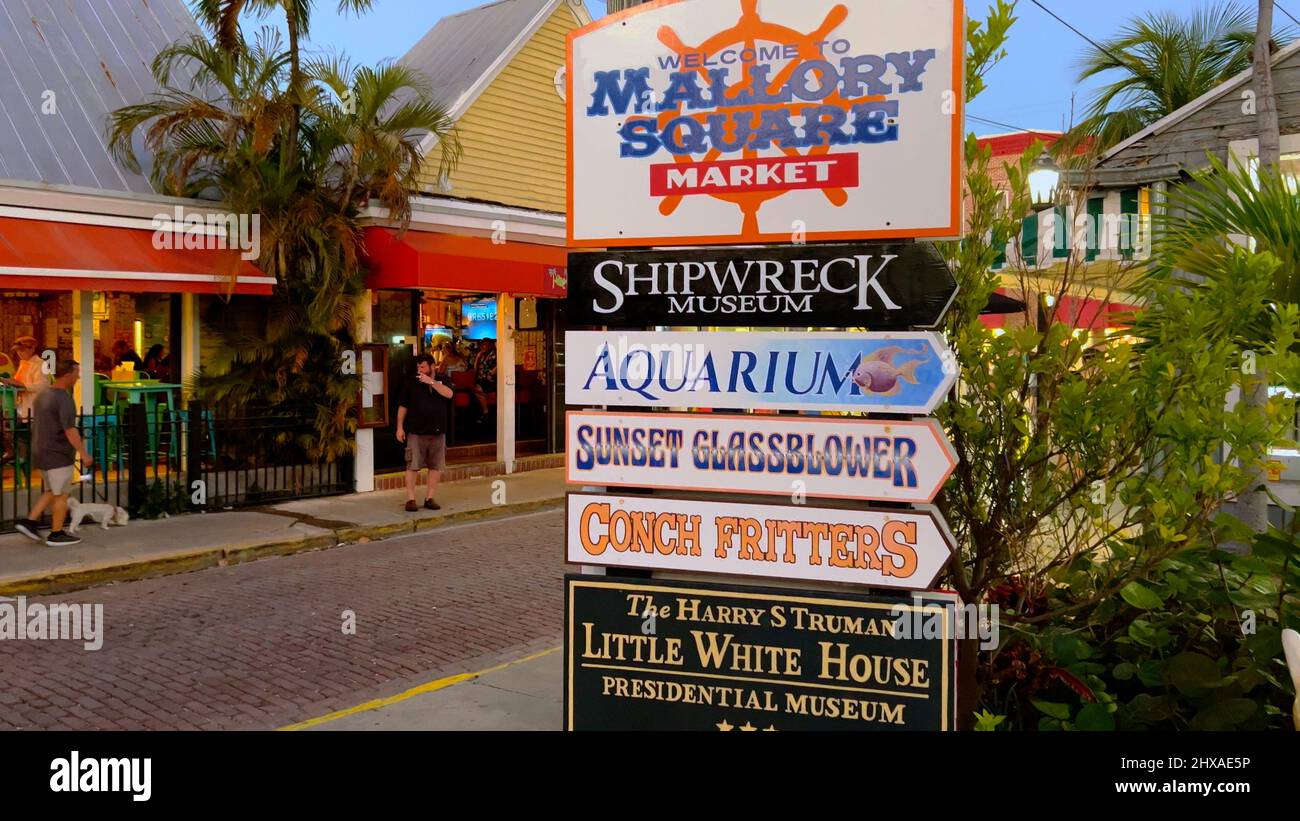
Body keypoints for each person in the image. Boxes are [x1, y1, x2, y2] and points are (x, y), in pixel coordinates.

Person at [13, 359, 94, 547]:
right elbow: (70, 429)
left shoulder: (43, 394)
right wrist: (84, 453)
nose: (78, 376)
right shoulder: (63, 398)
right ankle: (56, 534)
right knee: (62, 495)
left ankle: (29, 522)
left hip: (41, 450)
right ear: (68, 375)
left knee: (51, 490)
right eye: (77, 372)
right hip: (57, 453)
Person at [395, 354, 453, 512]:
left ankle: (430, 497)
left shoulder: (442, 379)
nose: (419, 370)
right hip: (416, 431)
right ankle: (411, 499)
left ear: (432, 366)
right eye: (418, 367)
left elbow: (449, 394)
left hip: (438, 431)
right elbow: (403, 406)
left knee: (435, 466)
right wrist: (399, 427)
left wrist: (432, 382)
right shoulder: (411, 382)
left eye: (423, 367)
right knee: (412, 465)